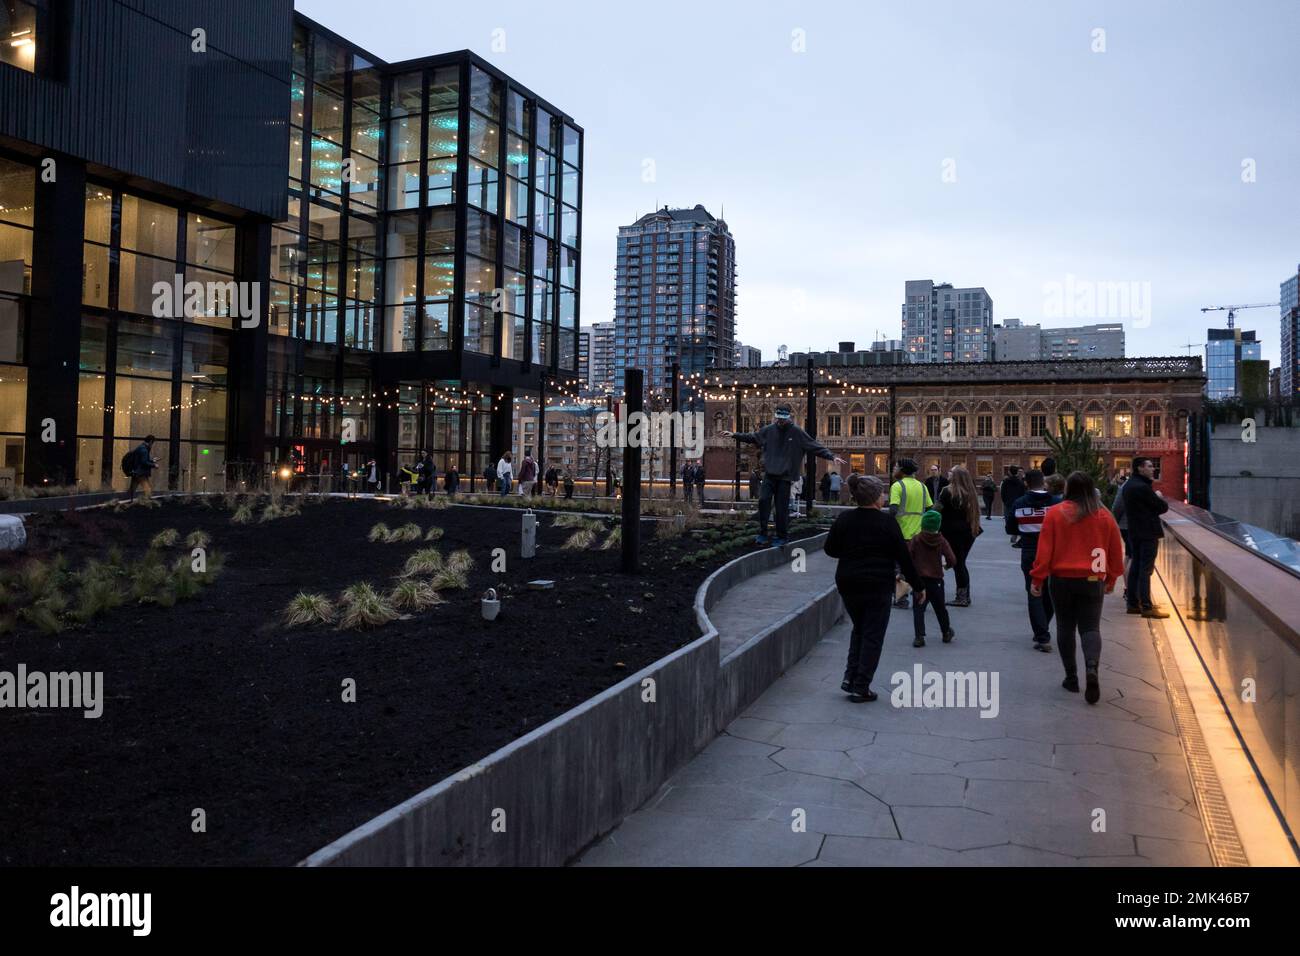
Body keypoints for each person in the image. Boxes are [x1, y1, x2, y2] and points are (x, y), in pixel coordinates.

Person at [824, 475, 925, 703]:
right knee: (873, 635)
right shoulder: (887, 523)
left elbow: (830, 549)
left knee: (859, 628)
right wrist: (918, 586)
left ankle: (850, 678)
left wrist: (851, 554)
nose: (885, 497)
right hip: (877, 585)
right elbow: (904, 558)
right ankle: (861, 686)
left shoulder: (845, 519)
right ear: (875, 497)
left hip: (848, 582)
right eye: (882, 493)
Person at [1030, 471, 1124, 704]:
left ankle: (1071, 678)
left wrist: (1037, 579)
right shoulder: (1104, 516)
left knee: (1065, 626)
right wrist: (1111, 578)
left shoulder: (1055, 514)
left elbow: (1044, 551)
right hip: (1093, 579)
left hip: (1061, 579)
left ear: (1068, 489)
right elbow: (1115, 551)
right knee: (1091, 628)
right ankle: (1091, 668)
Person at [723, 405, 844, 548]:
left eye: (783, 419)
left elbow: (814, 446)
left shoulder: (797, 432)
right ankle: (763, 532)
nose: (780, 422)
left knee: (781, 508)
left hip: (785, 477)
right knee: (763, 501)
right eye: (778, 419)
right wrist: (734, 435)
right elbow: (753, 437)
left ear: (789, 418)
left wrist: (831, 456)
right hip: (769, 474)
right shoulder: (769, 430)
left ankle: (782, 536)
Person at [1006, 468, 1062, 651]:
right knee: (1051, 591)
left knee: (1034, 591)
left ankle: (1042, 635)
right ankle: (1043, 624)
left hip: (1030, 551)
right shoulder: (1056, 503)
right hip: (1054, 552)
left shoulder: (1019, 503)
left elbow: (1011, 529)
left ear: (1026, 483)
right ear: (1043, 482)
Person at [1121, 456, 1170, 618]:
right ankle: (1147, 606)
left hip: (1134, 531)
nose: (1153, 468)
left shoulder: (1129, 485)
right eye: (1149, 466)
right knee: (1145, 569)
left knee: (1136, 566)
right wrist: (1159, 498)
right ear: (1140, 468)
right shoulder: (1142, 487)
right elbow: (1162, 507)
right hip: (1148, 532)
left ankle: (1133, 603)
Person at [887, 459, 932, 608]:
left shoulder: (897, 486)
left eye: (895, 466)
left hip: (902, 534)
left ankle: (901, 599)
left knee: (900, 568)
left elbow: (893, 510)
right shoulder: (922, 486)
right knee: (917, 566)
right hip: (919, 535)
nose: (893, 469)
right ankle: (921, 596)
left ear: (902, 469)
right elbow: (930, 509)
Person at [908, 509, 955, 647]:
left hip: (919, 581)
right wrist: (947, 566)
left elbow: (908, 557)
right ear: (938, 526)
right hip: (936, 581)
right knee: (940, 608)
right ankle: (946, 632)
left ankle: (919, 637)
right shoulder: (941, 540)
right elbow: (952, 558)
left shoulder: (916, 539)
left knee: (918, 609)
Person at [936, 465, 981, 606]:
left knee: (958, 564)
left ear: (955, 477)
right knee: (961, 563)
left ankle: (962, 597)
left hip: (951, 533)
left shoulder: (947, 491)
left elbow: (936, 511)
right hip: (969, 532)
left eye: (951, 472)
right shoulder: (971, 492)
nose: (948, 474)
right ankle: (964, 595)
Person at [125, 435, 159, 500]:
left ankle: (126, 503)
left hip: (136, 472)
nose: (152, 445)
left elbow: (141, 460)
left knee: (132, 490)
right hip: (141, 473)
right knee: (148, 490)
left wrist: (152, 460)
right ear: (151, 441)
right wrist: (154, 465)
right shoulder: (144, 450)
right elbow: (144, 462)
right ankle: (148, 505)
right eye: (153, 443)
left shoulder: (141, 447)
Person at [1000, 466, 1026, 530]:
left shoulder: (1005, 482)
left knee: (1008, 516)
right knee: (1017, 517)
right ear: (1017, 472)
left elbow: (1003, 493)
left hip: (1008, 502)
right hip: (1018, 502)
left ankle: (1010, 529)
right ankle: (1015, 531)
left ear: (1009, 472)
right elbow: (1023, 493)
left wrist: (1005, 501)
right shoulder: (1020, 482)